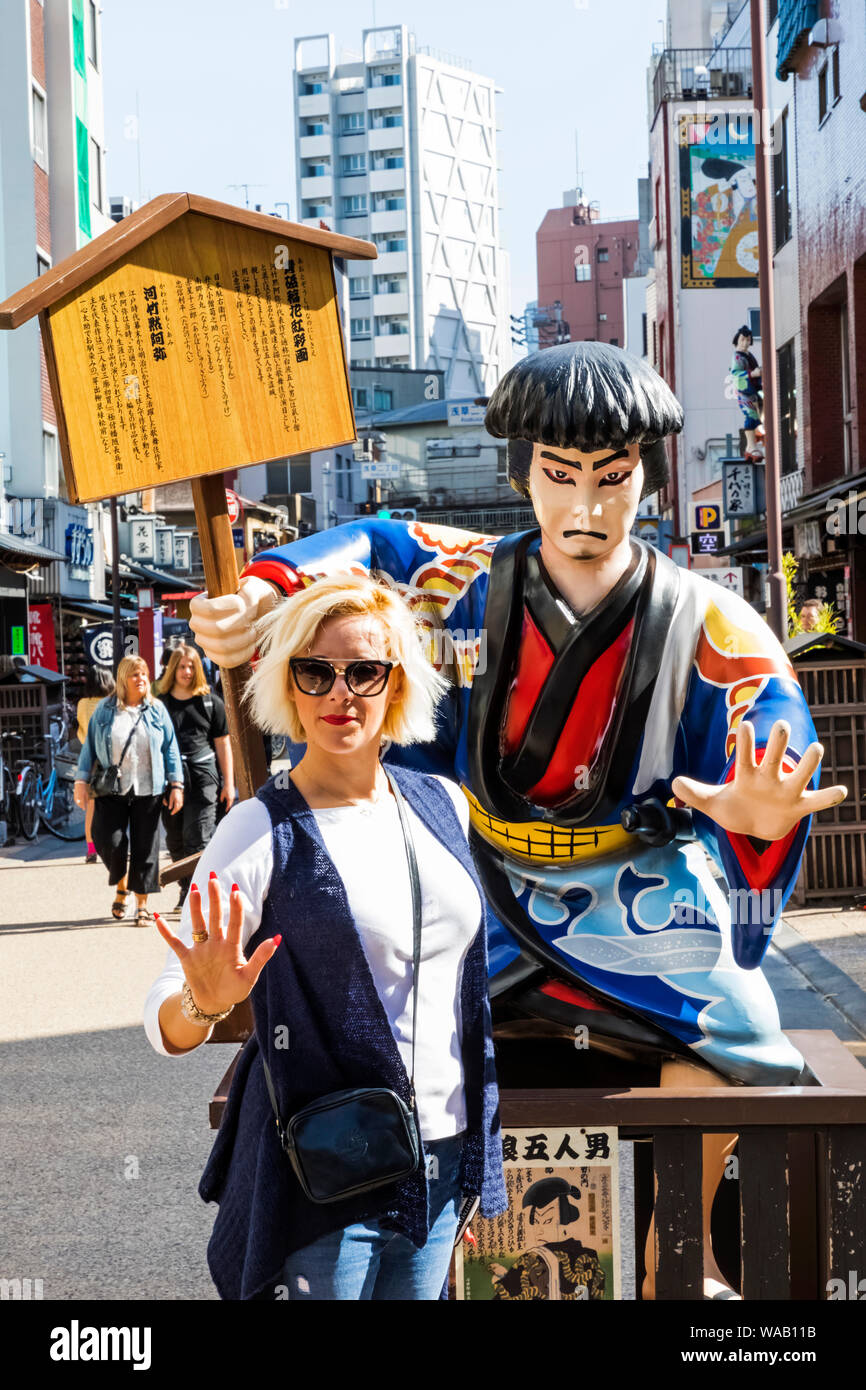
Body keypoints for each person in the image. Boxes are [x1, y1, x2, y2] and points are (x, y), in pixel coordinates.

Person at [188, 340, 846, 1298]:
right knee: (379, 1030)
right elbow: (370, 546)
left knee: (744, 1036)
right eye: (560, 475)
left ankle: (686, 1252)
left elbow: (771, 723)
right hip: (479, 878)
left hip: (635, 889)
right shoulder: (465, 580)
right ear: (523, 473)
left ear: (646, 480)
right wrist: (266, 587)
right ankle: (436, 1238)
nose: (585, 508)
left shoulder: (710, 619)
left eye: (611, 480)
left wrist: (757, 809)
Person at [144, 575, 507, 1301]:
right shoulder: (258, 829)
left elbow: (463, 1000)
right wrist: (204, 1002)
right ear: (289, 686)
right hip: (326, 1168)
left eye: (364, 670)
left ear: (397, 683)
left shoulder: (445, 807)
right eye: (315, 671)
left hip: (440, 1156)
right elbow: (163, 1016)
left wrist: (473, 1164)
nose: (340, 694)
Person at [73, 655, 184, 926]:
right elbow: (88, 749)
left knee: (146, 847)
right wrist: (80, 781)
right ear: (123, 679)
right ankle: (122, 884)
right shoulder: (104, 710)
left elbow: (170, 748)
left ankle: (142, 903)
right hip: (113, 788)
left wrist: (176, 784)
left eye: (144, 673)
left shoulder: (157, 710)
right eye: (135, 674)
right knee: (109, 841)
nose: (142, 678)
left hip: (150, 787)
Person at [157, 643, 235, 910]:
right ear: (172, 669)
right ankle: (185, 886)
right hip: (171, 780)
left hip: (204, 777)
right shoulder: (160, 703)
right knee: (174, 840)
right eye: (181, 666)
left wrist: (229, 783)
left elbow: (223, 743)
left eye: (191, 666)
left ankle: (194, 894)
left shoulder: (211, 702)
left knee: (198, 838)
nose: (186, 671)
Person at [76, 665, 115, 864]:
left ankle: (91, 849)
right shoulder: (112, 703)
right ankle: (113, 844)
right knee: (116, 802)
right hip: (110, 758)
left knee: (91, 804)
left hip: (88, 757)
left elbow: (81, 730)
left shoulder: (82, 704)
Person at [730, 325, 764, 460]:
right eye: (743, 339)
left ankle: (752, 446)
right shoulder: (737, 357)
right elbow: (736, 374)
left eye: (748, 340)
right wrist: (752, 374)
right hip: (745, 392)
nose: (745, 343)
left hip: (754, 391)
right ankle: (751, 447)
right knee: (750, 416)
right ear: (737, 340)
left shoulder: (748, 355)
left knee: (757, 417)